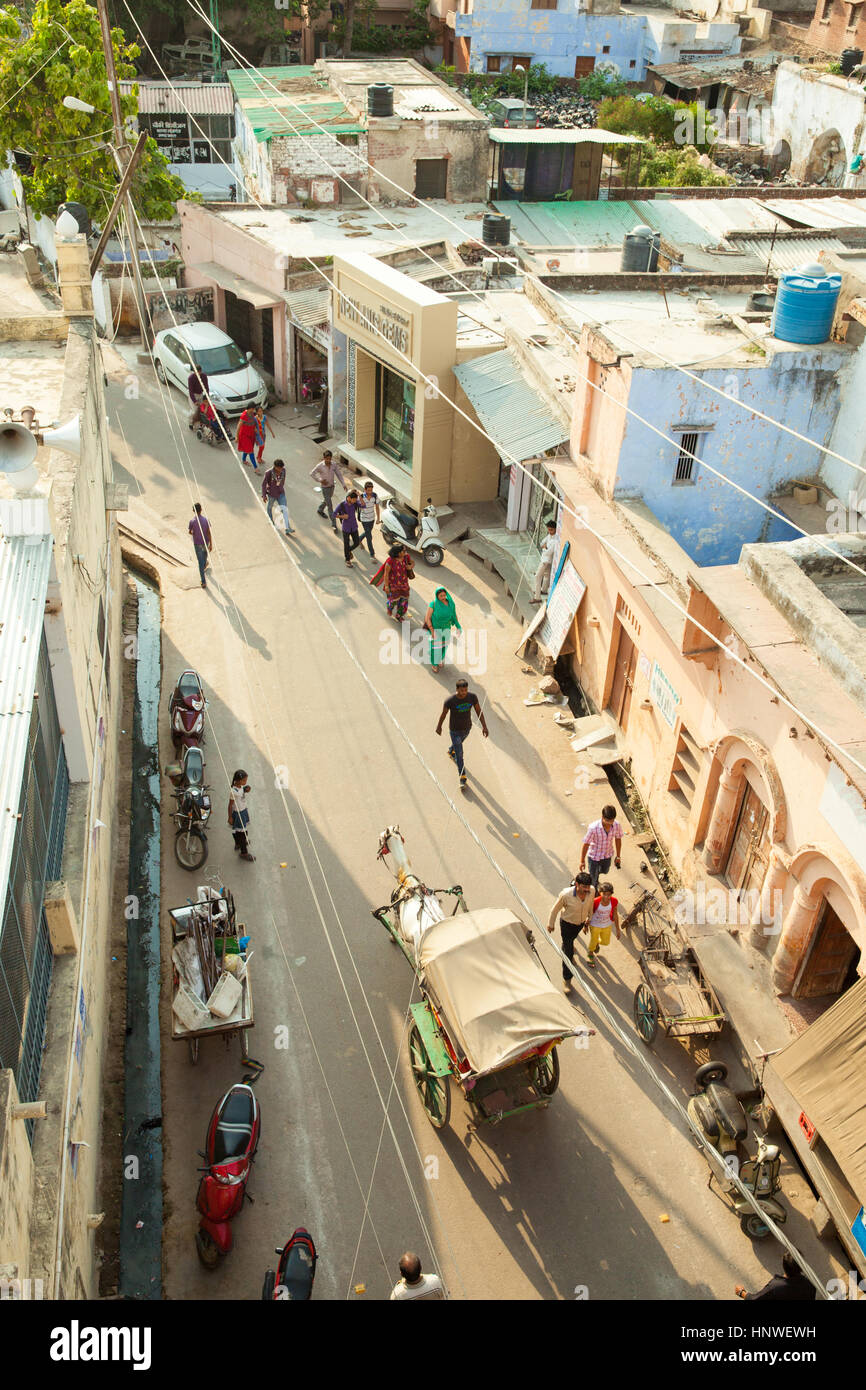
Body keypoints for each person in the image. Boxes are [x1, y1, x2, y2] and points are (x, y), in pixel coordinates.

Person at [436, 678, 488, 788]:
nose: (464, 693)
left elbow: (479, 711)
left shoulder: (472, 697)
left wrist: (484, 726)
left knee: (457, 747)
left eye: (465, 690)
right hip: (454, 731)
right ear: (457, 689)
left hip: (467, 729)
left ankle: (451, 750)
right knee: (460, 754)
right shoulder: (450, 701)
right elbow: (443, 714)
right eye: (461, 691)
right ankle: (462, 777)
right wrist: (439, 726)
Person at [547, 872, 594, 991]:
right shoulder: (566, 895)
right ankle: (567, 979)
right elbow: (555, 910)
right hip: (567, 924)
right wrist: (551, 924)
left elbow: (590, 905)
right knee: (567, 951)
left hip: (580, 923)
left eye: (588, 887)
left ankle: (570, 948)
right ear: (577, 884)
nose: (586, 890)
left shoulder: (592, 891)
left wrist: (589, 918)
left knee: (570, 942)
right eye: (584, 887)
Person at [735, 1253, 816, 1301]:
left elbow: (755, 1299)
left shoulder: (775, 1286)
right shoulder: (810, 1285)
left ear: (783, 1265)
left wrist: (741, 1292)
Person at [579, 804, 623, 890]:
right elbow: (586, 844)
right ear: (602, 816)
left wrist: (618, 856)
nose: (609, 823)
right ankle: (593, 890)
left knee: (605, 871)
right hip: (594, 857)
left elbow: (618, 839)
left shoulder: (617, 825)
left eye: (611, 821)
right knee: (593, 880)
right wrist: (582, 861)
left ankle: (596, 875)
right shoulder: (593, 828)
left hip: (607, 855)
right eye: (607, 820)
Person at [370, 543, 414, 621]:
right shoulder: (390, 562)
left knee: (404, 601)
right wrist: (386, 586)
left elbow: (412, 562)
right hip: (393, 585)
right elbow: (386, 575)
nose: (405, 552)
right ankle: (389, 609)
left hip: (404, 584)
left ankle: (399, 615)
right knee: (393, 601)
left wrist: (410, 566)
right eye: (403, 551)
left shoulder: (406, 557)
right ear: (398, 553)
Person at [424, 587, 461, 673]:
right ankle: (434, 664)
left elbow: (454, 616)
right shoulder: (433, 604)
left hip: (446, 629)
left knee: (444, 646)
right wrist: (432, 630)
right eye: (441, 596)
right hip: (436, 629)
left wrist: (458, 626)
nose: (443, 597)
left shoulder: (451, 604)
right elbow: (427, 618)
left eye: (444, 595)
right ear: (437, 596)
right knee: (436, 647)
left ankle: (440, 658)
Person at [586, 881, 620, 968]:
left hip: (607, 924)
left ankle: (596, 943)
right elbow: (588, 913)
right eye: (604, 894)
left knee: (605, 942)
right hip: (595, 924)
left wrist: (618, 929)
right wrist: (585, 926)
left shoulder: (614, 901)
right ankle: (590, 955)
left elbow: (615, 915)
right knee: (593, 940)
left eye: (609, 894)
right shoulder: (595, 901)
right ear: (600, 892)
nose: (606, 897)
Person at [310, 450, 348, 527]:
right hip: (324, 488)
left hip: (331, 487)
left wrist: (343, 484)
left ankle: (320, 510)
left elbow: (339, 474)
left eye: (330, 459)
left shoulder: (334, 465)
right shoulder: (320, 466)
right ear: (324, 458)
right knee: (330, 506)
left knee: (327, 500)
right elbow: (312, 473)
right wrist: (320, 480)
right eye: (327, 459)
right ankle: (334, 524)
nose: (328, 460)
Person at [261, 459, 295, 535]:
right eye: (279, 468)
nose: (280, 470)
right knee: (270, 507)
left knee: (284, 510)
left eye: (281, 468)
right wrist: (264, 495)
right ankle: (271, 520)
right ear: (275, 467)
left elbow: (283, 480)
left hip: (281, 493)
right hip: (271, 494)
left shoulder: (284, 471)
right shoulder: (268, 473)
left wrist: (280, 487)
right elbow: (263, 484)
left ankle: (287, 528)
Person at [228, 770, 255, 862]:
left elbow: (241, 792)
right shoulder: (233, 791)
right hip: (238, 813)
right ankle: (244, 852)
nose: (245, 782)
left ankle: (238, 843)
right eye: (244, 781)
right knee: (242, 833)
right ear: (238, 780)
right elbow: (230, 805)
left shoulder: (240, 787)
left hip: (243, 811)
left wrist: (245, 789)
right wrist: (230, 817)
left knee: (239, 831)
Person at [530, 518, 558, 604]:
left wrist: (545, 548)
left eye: (551, 530)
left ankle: (537, 597)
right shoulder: (549, 536)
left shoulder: (555, 540)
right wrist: (545, 547)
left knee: (538, 576)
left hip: (546, 560)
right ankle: (544, 590)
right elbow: (542, 543)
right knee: (546, 576)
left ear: (555, 529)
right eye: (549, 529)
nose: (550, 531)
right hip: (546, 559)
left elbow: (548, 552)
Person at [334, 489, 363, 566]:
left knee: (356, 542)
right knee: (346, 544)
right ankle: (347, 560)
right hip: (346, 528)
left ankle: (348, 551)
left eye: (355, 500)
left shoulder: (355, 503)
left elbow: (363, 505)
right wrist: (342, 516)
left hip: (354, 527)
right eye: (354, 500)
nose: (355, 501)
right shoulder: (342, 505)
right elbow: (333, 514)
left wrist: (359, 495)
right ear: (349, 498)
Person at [188, 502, 212, 589]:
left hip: (197, 544)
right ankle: (205, 564)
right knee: (205, 556)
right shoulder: (206, 520)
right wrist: (211, 544)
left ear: (193, 511)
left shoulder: (192, 521)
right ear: (201, 510)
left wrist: (194, 533)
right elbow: (209, 533)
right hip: (206, 542)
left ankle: (203, 581)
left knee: (200, 562)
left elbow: (190, 532)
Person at [358, 480, 380, 558]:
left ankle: (358, 539)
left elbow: (377, 507)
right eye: (368, 490)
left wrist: (378, 518)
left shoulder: (375, 496)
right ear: (365, 489)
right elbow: (360, 506)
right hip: (364, 519)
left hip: (372, 519)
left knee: (368, 532)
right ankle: (372, 554)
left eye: (371, 490)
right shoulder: (361, 497)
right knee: (369, 537)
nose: (370, 492)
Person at [187, 364, 208, 428]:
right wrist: (194, 401)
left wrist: (207, 397)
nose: (198, 374)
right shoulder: (190, 378)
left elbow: (206, 387)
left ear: (201, 371)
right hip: (193, 395)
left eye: (199, 372)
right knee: (194, 411)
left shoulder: (204, 376)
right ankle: (190, 422)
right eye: (196, 372)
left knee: (201, 410)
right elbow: (191, 391)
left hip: (200, 394)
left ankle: (200, 423)